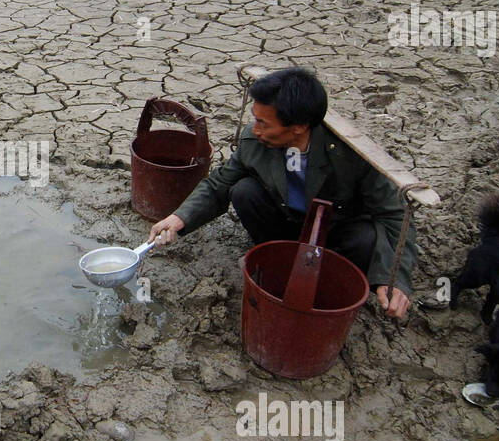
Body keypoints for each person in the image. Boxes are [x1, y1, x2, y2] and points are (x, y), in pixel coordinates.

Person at [147, 67, 416, 319]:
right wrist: (179, 218)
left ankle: (326, 279)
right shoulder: (255, 141)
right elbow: (220, 183)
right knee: (243, 191)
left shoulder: (351, 157)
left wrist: (395, 280)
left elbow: (395, 216)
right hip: (286, 220)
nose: (255, 128)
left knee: (367, 238)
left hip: (334, 232)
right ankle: (279, 260)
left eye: (264, 122)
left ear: (298, 126)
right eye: (255, 119)